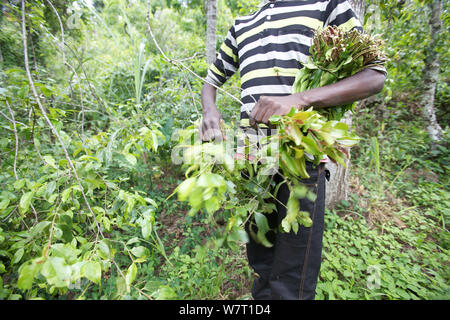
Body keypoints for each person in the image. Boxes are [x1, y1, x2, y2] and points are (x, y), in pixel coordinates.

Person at [200, 0, 386, 300]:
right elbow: (211, 81)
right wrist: (210, 111)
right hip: (251, 165)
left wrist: (298, 99)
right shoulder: (242, 24)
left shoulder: (329, 7)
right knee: (261, 264)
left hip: (301, 159)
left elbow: (374, 76)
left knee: (293, 277)